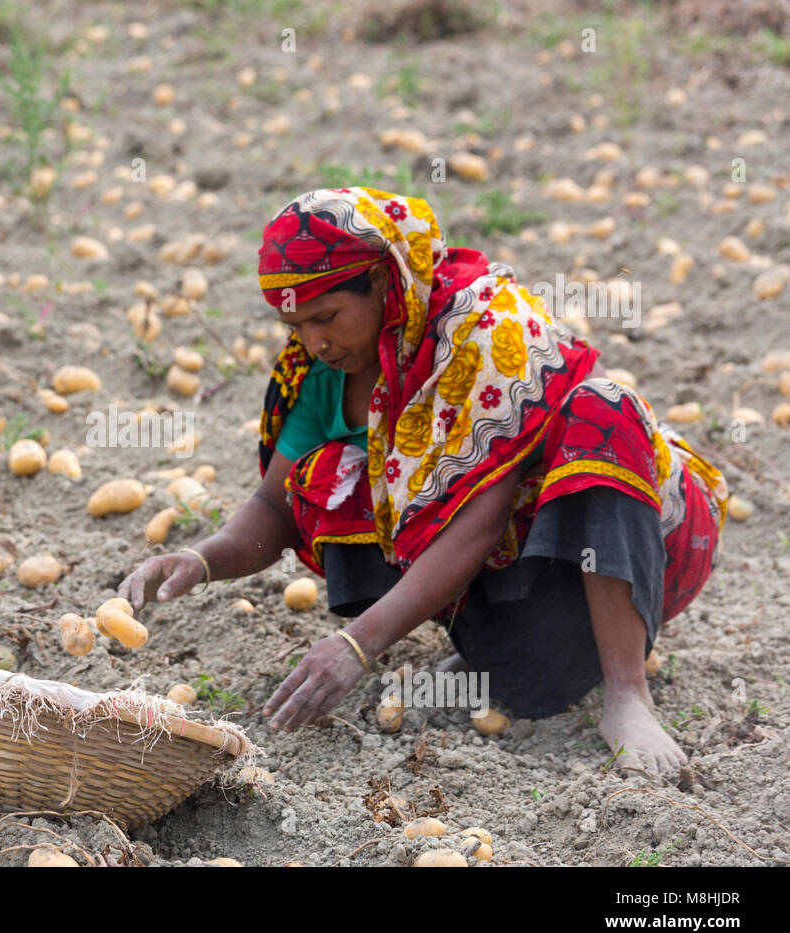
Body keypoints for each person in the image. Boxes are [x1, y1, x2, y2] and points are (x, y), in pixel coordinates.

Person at [117, 187, 729, 775]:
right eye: (297, 326)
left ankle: (628, 692)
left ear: (384, 280)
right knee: (333, 480)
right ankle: (493, 645)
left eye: (327, 317)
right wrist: (199, 560)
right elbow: (274, 508)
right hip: (521, 585)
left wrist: (357, 645)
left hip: (620, 548)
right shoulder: (325, 369)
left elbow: (480, 520)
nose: (315, 342)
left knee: (603, 406)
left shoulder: (487, 333)